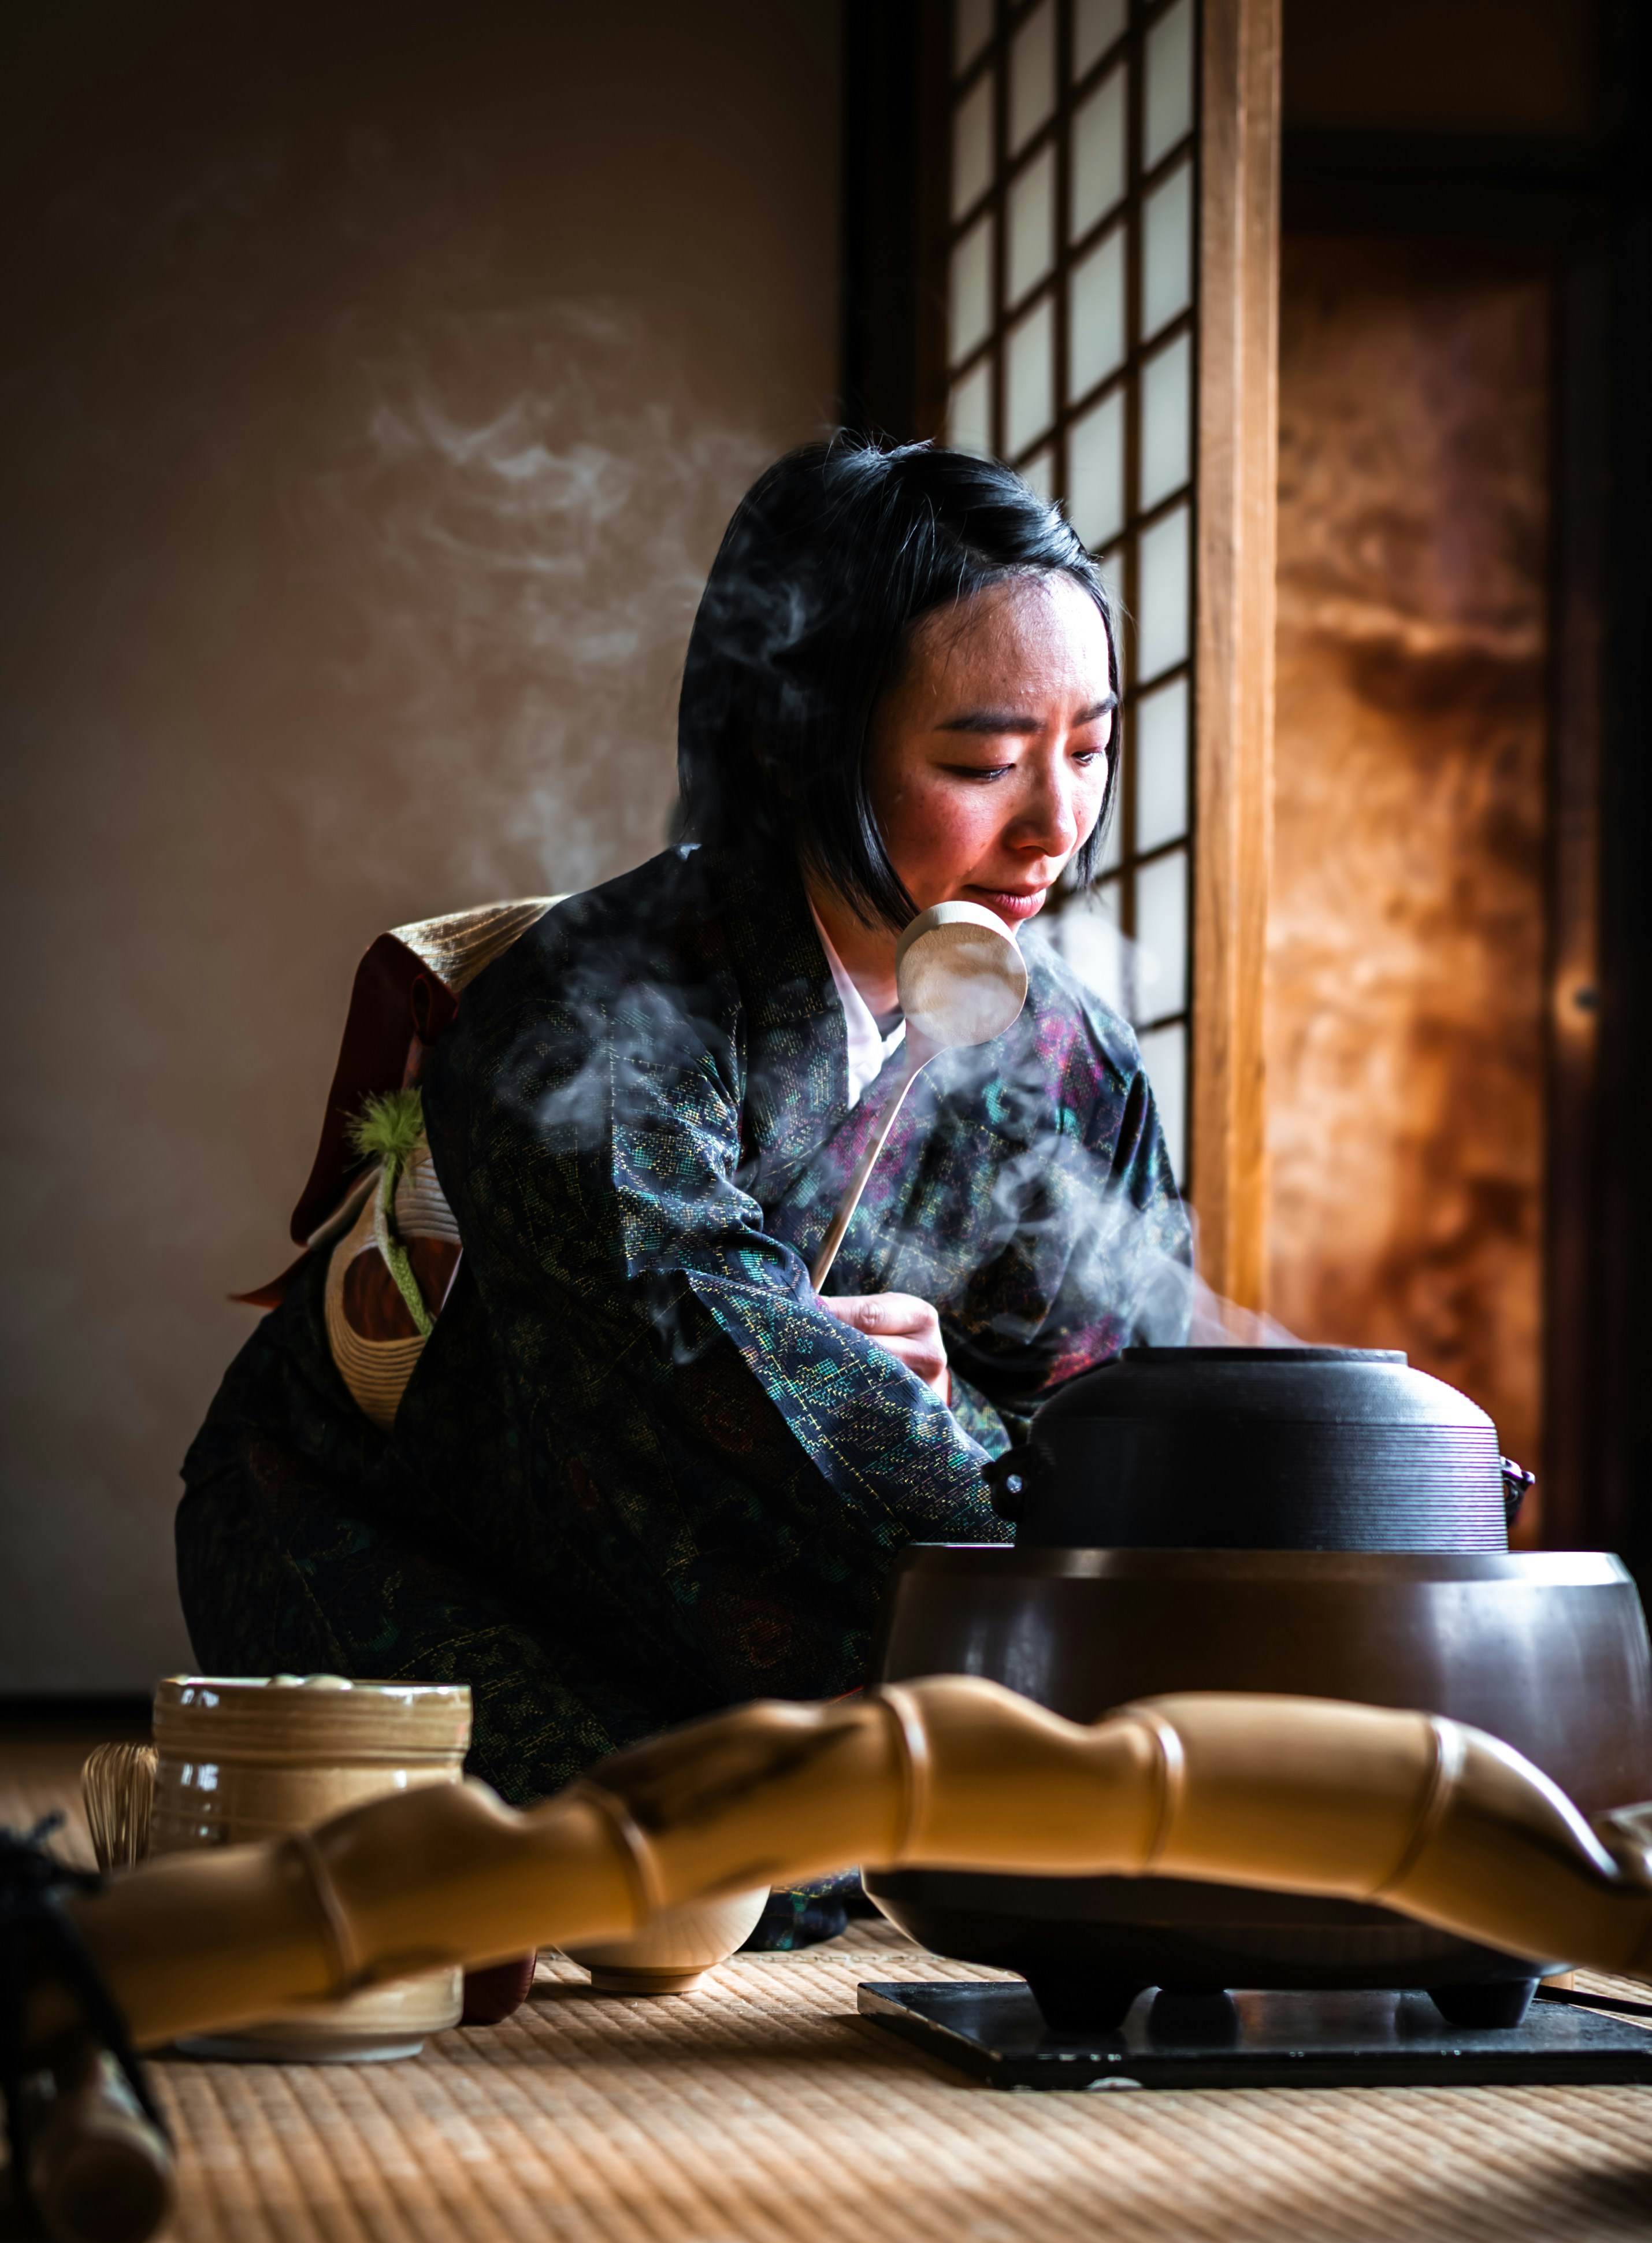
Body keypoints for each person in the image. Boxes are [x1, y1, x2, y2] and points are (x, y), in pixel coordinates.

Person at [177, 441, 1189, 1811]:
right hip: (409, 1534)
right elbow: (695, 1355)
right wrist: (964, 1482)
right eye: (986, 759)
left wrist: (969, 1416)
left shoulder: (1072, 1060)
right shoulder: (599, 1009)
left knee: (925, 1805)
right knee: (741, 1859)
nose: (1055, 823)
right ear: (799, 741)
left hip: (767, 1566)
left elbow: (1102, 1411)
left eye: (1089, 749)